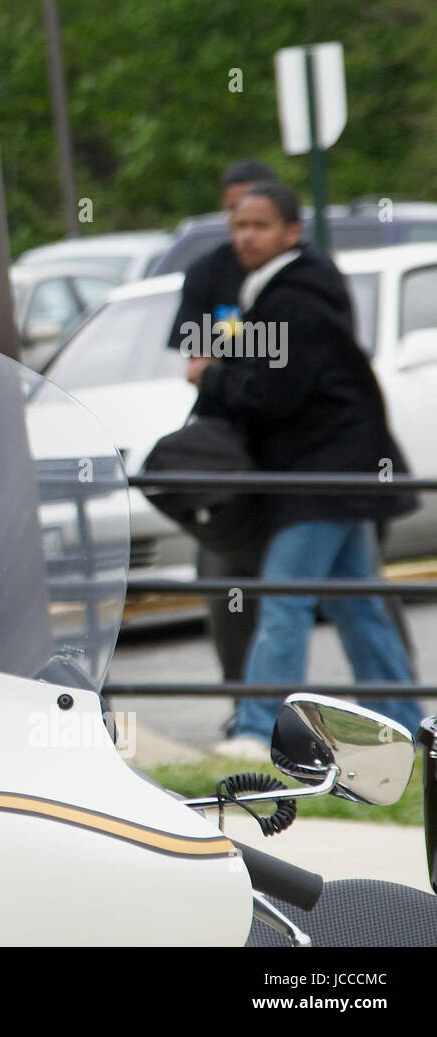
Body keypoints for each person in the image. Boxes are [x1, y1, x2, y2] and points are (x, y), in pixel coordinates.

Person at [169, 160, 413, 749]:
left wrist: (213, 376)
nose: (244, 235)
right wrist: (229, 372)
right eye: (237, 224)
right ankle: (406, 723)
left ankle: (257, 730)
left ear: (290, 232)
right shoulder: (278, 289)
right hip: (332, 470)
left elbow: (275, 390)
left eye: (258, 225)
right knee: (358, 608)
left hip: (322, 475)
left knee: (282, 599)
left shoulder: (295, 296)